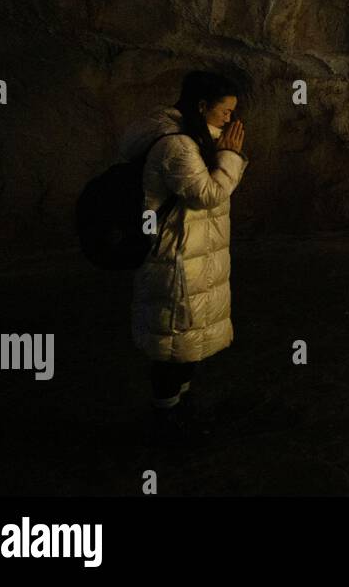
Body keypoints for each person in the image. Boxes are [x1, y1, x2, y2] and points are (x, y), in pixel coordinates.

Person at [118, 71, 248, 444]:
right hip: (175, 259)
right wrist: (231, 155)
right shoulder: (177, 146)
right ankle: (165, 417)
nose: (229, 119)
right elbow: (206, 193)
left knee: (185, 340)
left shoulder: (192, 137)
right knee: (172, 343)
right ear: (202, 106)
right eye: (224, 112)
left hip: (192, 255)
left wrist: (222, 147)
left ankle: (180, 406)